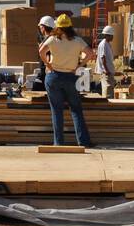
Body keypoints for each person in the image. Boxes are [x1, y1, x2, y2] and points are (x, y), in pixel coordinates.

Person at [38, 14, 94, 147]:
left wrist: (48, 64)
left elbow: (41, 51)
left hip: (54, 77)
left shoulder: (52, 39)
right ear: (69, 27)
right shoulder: (77, 40)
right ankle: (83, 141)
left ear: (57, 27)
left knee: (57, 110)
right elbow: (91, 54)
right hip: (70, 77)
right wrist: (79, 65)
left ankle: (58, 143)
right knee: (76, 109)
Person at [96, 25, 118, 94]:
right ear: (107, 35)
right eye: (111, 35)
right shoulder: (103, 44)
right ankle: (106, 104)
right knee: (107, 91)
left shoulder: (107, 44)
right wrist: (107, 71)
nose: (113, 37)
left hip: (109, 72)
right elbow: (103, 58)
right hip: (106, 73)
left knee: (110, 90)